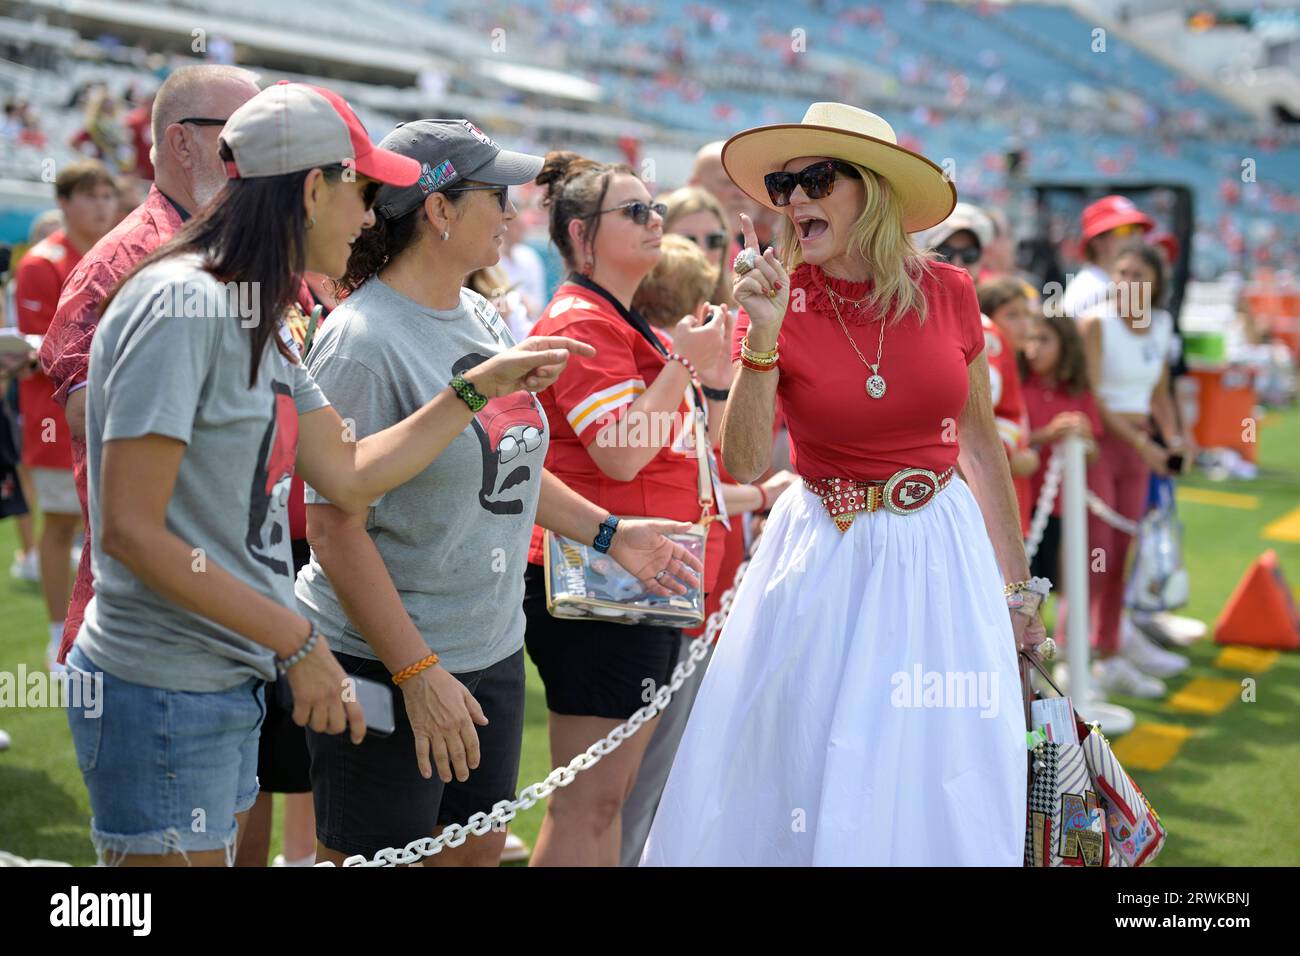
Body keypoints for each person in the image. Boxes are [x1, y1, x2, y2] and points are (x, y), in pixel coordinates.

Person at [63, 81, 591, 867]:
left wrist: (481, 386)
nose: (372, 215)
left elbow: (346, 474)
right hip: (163, 680)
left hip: (224, 675)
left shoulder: (258, 311)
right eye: (361, 190)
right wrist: (302, 641)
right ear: (314, 189)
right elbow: (133, 531)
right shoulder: (182, 304)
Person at [641, 102, 1046, 866]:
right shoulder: (768, 299)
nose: (794, 199)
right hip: (826, 555)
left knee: (938, 764)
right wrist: (759, 335)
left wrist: (1020, 593)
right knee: (801, 766)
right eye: (784, 184)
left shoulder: (952, 291)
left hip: (942, 556)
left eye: (816, 179)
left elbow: (984, 450)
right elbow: (746, 463)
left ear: (874, 192)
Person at [522, 150, 731, 866]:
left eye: (656, 210)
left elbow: (693, 451)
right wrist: (684, 364)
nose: (655, 223)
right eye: (635, 212)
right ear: (581, 236)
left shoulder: (620, 320)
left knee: (609, 798)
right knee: (588, 799)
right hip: (600, 581)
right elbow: (620, 450)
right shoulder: (581, 320)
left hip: (638, 580)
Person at [40, 64, 261, 666]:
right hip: (159, 620)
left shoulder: (236, 247)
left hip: (236, 596)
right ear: (181, 142)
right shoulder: (123, 264)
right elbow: (97, 424)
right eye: (241, 131)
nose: (262, 151)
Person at [1075, 241, 1194, 697]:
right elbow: (1094, 399)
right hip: (1101, 445)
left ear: (1156, 284)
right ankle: (1074, 652)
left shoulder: (1160, 324)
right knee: (1095, 552)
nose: (1126, 283)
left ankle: (1109, 652)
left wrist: (1176, 438)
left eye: (1137, 275)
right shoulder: (1096, 324)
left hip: (1137, 445)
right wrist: (1145, 443)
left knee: (1123, 550)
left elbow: (1160, 393)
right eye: (1120, 273)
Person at [14, 160, 118, 670]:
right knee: (60, 524)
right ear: (64, 202)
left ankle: (94, 630)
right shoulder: (42, 262)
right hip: (55, 415)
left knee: (102, 523)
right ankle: (59, 638)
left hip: (107, 411)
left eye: (106, 195)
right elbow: (35, 348)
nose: (102, 205)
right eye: (90, 195)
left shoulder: (115, 254)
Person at [1019, 313, 1101, 589]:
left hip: (1056, 506)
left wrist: (1084, 436)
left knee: (1047, 584)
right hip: (1019, 501)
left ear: (1065, 346)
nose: (1033, 348)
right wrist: (1048, 434)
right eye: (1030, 339)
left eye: (1044, 340)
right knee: (1020, 583)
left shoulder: (1078, 392)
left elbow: (1093, 455)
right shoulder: (1017, 386)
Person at [977, 275, 1039, 533]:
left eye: (1027, 315)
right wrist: (1014, 458)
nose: (1025, 325)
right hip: (987, 507)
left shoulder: (1017, 370)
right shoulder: (989, 358)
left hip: (1012, 502)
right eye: (1012, 315)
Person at [1060, 194, 1154, 319]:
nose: (1135, 236)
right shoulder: (1088, 291)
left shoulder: (1118, 285)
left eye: (1137, 229)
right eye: (1124, 229)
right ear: (1097, 240)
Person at [659, 186, 735, 309]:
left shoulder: (740, 309)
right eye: (688, 241)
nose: (702, 251)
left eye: (714, 239)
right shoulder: (640, 313)